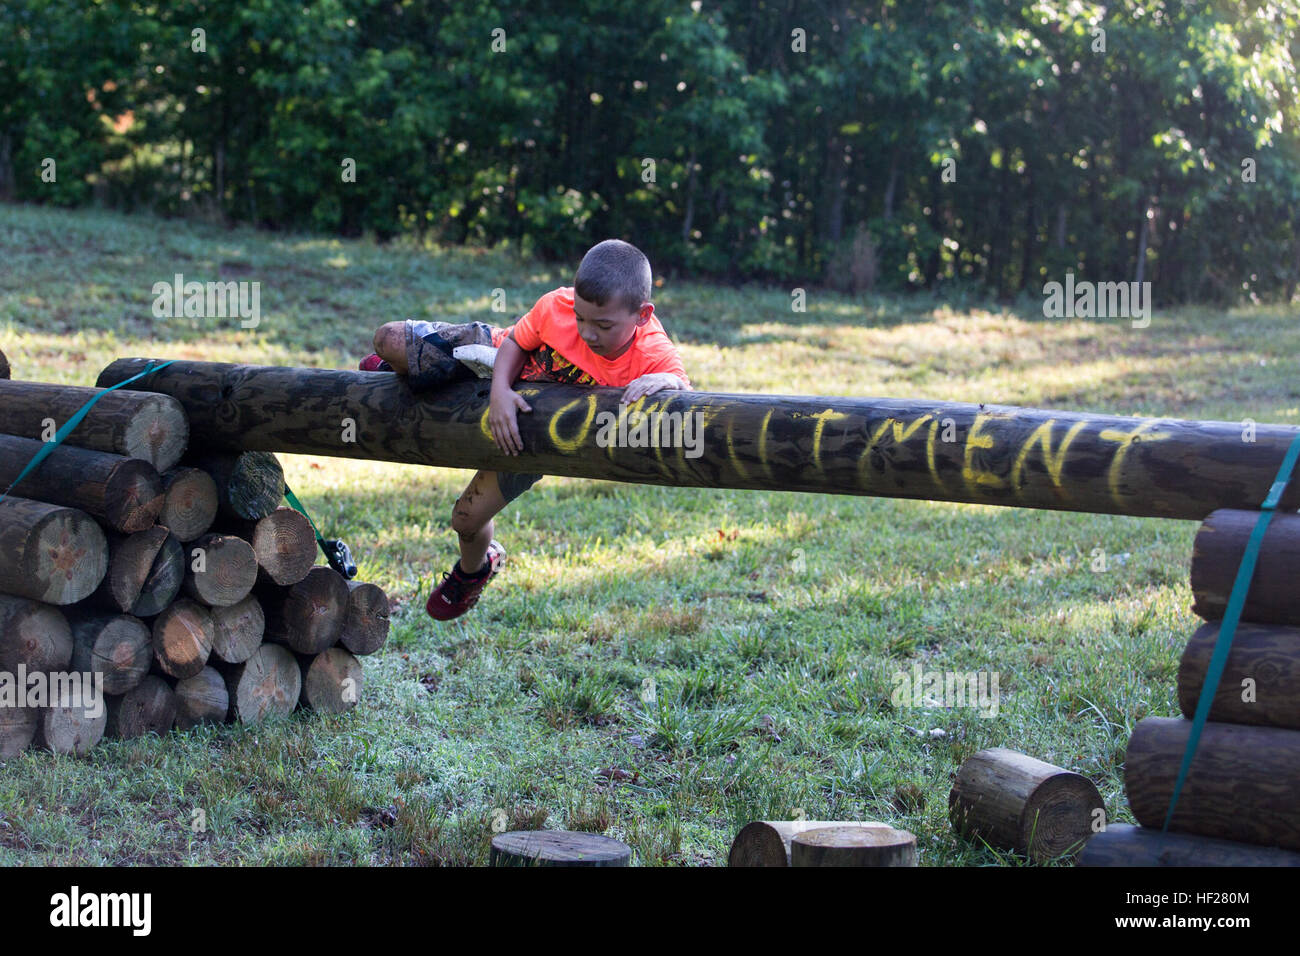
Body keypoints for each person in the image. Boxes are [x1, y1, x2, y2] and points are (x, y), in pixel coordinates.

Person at [362, 239, 691, 620]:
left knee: (465, 520)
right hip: (492, 359)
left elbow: (685, 389)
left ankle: (476, 569)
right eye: (581, 318)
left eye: (602, 325)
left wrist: (668, 382)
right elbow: (518, 340)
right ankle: (426, 378)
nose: (587, 333)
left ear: (643, 315)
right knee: (386, 341)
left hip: (532, 431)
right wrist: (501, 391)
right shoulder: (558, 305)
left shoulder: (652, 350)